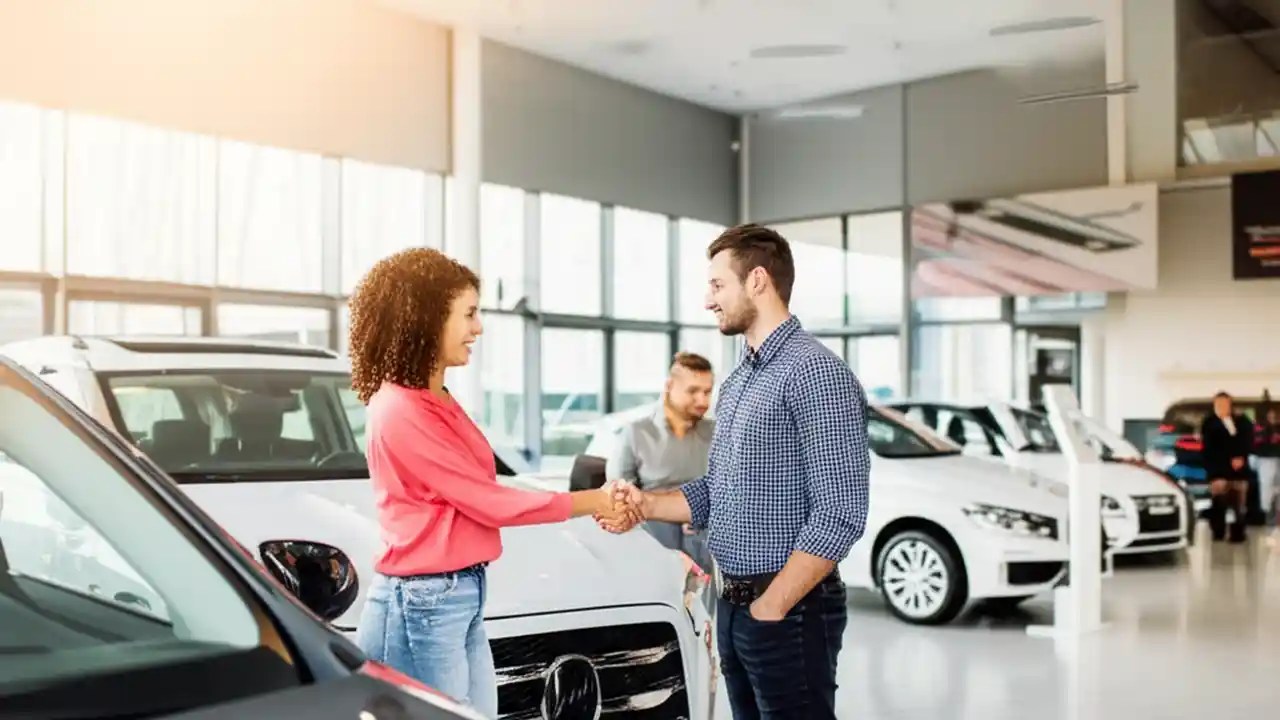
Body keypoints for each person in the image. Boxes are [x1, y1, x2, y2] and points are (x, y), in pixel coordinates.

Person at [347, 247, 635, 717]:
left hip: (456, 593)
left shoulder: (437, 398)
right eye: (468, 314)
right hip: (423, 602)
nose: (478, 328)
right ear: (426, 318)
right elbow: (489, 501)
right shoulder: (400, 409)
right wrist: (594, 501)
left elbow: (483, 483)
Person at [603, 224, 871, 720]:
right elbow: (718, 489)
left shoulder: (816, 373)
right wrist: (646, 504)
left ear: (758, 281)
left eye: (717, 285)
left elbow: (841, 512)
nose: (708, 300)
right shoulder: (740, 379)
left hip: (787, 609)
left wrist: (773, 605)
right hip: (731, 602)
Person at [606, 351, 716, 572]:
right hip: (654, 545)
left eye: (707, 392)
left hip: (709, 544)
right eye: (693, 391)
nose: (703, 401)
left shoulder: (718, 433)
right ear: (669, 386)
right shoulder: (635, 434)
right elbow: (619, 496)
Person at [1201, 391, 1255, 543]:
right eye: (1218, 404)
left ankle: (1238, 534)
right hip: (1218, 470)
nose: (1221, 407)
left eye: (1224, 404)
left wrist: (1241, 457)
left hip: (1239, 471)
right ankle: (1218, 532)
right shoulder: (1210, 423)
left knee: (1239, 505)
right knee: (1219, 502)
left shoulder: (1242, 421)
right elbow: (1209, 448)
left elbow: (1248, 441)